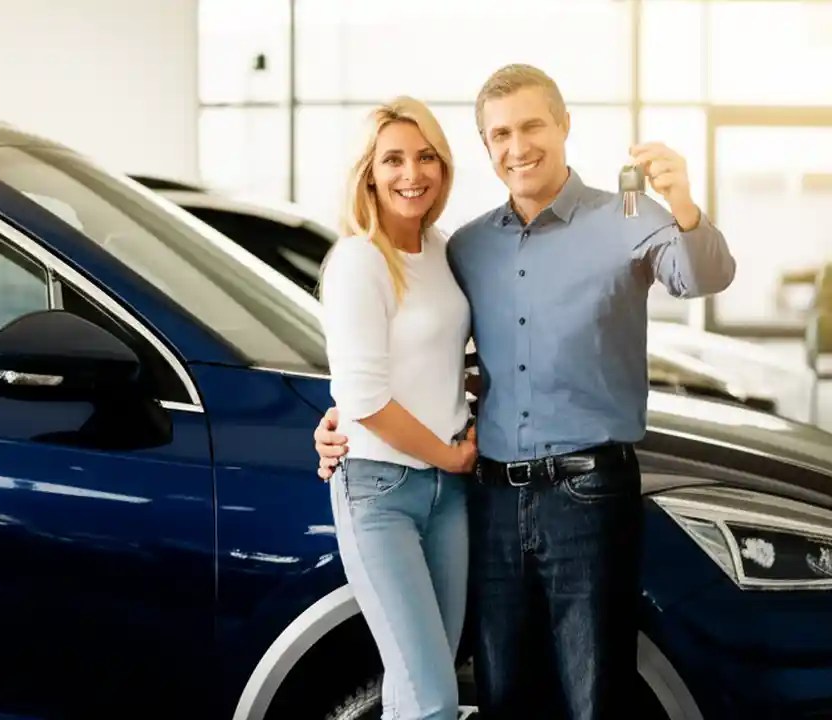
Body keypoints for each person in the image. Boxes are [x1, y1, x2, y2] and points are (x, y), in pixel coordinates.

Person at [313, 64, 735, 720]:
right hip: (490, 500)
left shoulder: (626, 214)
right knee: (506, 693)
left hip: (589, 497)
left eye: (533, 125)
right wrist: (348, 418)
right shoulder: (469, 246)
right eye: (500, 134)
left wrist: (684, 207)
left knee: (596, 697)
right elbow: (414, 353)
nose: (518, 146)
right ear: (485, 148)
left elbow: (701, 275)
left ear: (564, 126)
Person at [319, 95, 479, 720]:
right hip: (380, 492)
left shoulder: (444, 251)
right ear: (369, 173)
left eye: (426, 157)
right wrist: (450, 455)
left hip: (448, 496)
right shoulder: (358, 260)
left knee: (418, 687)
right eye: (393, 160)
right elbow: (362, 396)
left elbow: (444, 360)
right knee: (433, 698)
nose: (412, 174)